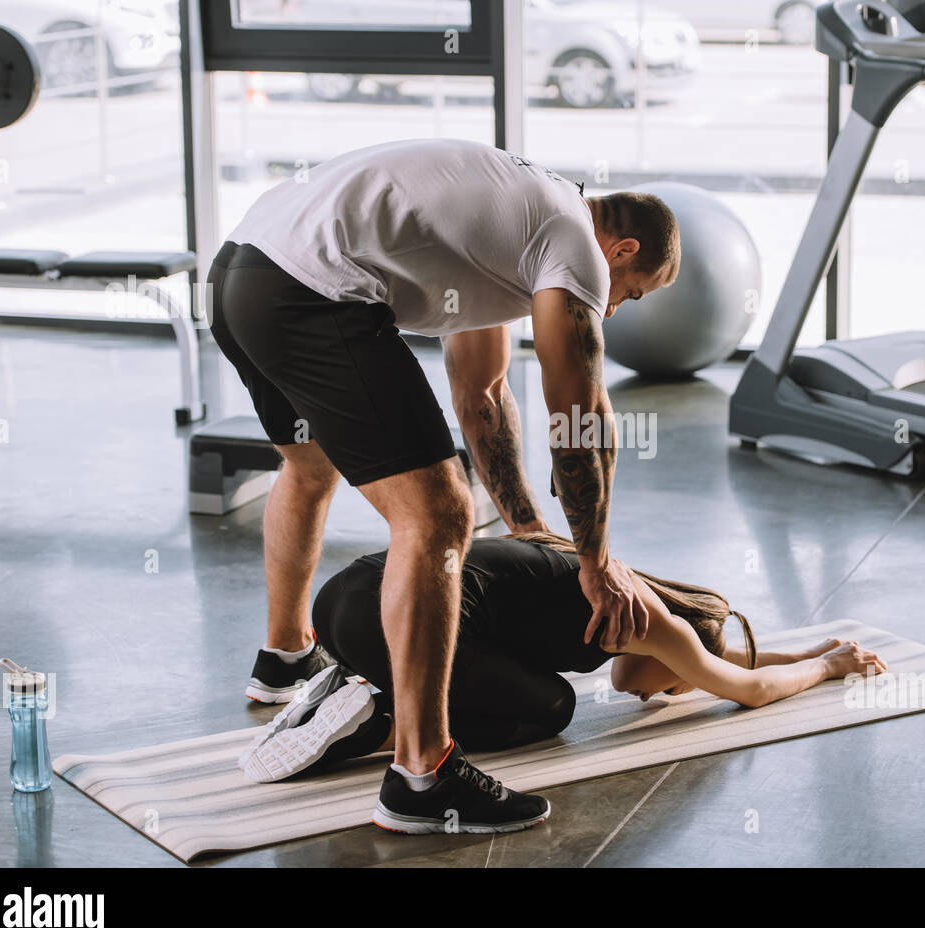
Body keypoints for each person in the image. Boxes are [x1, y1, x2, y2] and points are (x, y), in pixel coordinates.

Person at [208, 138, 680, 833]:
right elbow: (581, 419)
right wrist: (597, 559)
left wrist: (523, 522)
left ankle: (283, 659)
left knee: (309, 467)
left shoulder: (516, 223)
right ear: (625, 250)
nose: (613, 312)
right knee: (437, 516)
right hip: (309, 291)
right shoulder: (575, 244)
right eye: (631, 295)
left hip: (239, 273)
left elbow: (483, 395)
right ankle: (422, 777)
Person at [239, 533, 889, 834]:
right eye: (679, 680)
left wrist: (808, 646)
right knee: (552, 704)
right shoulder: (656, 625)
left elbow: (727, 667)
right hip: (391, 624)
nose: (667, 690)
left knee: (526, 676)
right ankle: (380, 713)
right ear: (686, 643)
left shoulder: (614, 579)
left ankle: (360, 686)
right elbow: (744, 689)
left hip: (349, 603)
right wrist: (825, 668)